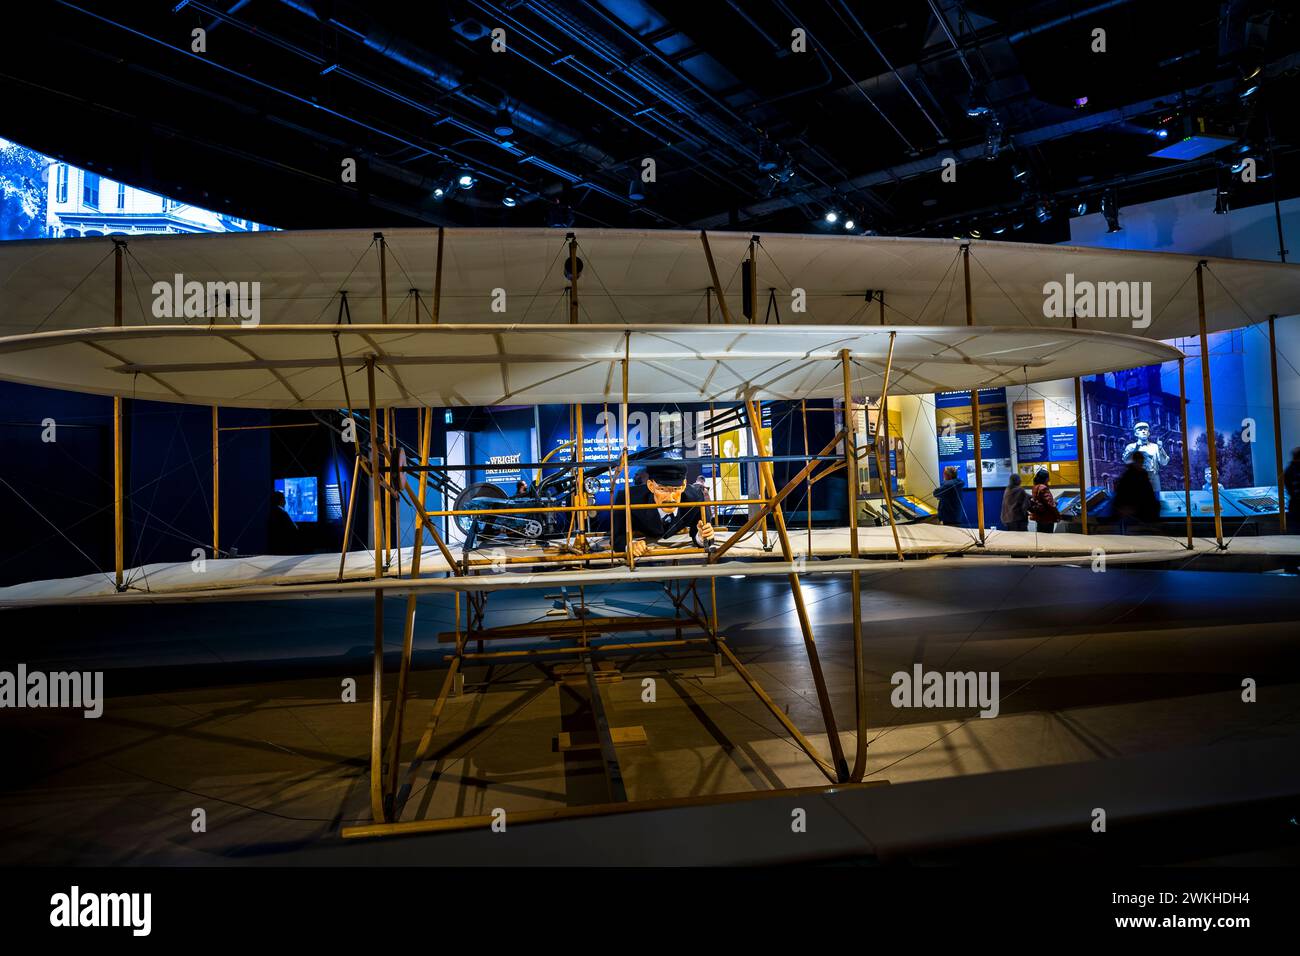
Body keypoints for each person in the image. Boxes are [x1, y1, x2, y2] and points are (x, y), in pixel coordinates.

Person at [611, 461, 715, 557]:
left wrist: (702, 537)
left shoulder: (696, 498)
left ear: (683, 486)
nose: (670, 498)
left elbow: (702, 534)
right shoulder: (628, 498)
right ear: (650, 486)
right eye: (662, 489)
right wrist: (629, 545)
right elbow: (617, 537)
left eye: (676, 489)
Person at [1112, 451, 1160, 534]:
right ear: (1135, 461)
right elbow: (1122, 493)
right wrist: (1125, 507)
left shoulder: (1142, 474)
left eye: (1141, 461)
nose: (1140, 463)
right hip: (1133, 510)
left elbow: (1148, 492)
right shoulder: (1128, 476)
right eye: (1139, 461)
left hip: (1141, 509)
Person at [1122, 421, 1170, 492]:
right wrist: (1135, 449)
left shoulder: (1155, 446)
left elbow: (1164, 462)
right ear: (1136, 434)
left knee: (1155, 497)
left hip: (1153, 477)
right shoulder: (1131, 447)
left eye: (1145, 429)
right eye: (1140, 430)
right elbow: (1126, 461)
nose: (1143, 431)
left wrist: (1160, 449)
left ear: (1148, 433)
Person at [1026, 468, 1060, 533]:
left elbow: (1040, 500)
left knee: (1041, 535)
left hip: (1039, 516)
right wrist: (1058, 515)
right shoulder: (1043, 488)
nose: (1049, 479)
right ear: (1046, 478)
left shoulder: (1035, 487)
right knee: (1048, 536)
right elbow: (1050, 504)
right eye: (1048, 477)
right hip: (1047, 517)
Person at [267, 489, 300, 554]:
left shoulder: (271, 512)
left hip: (274, 547)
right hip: (285, 547)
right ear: (281, 500)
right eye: (284, 498)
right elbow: (293, 529)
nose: (285, 500)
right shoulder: (283, 513)